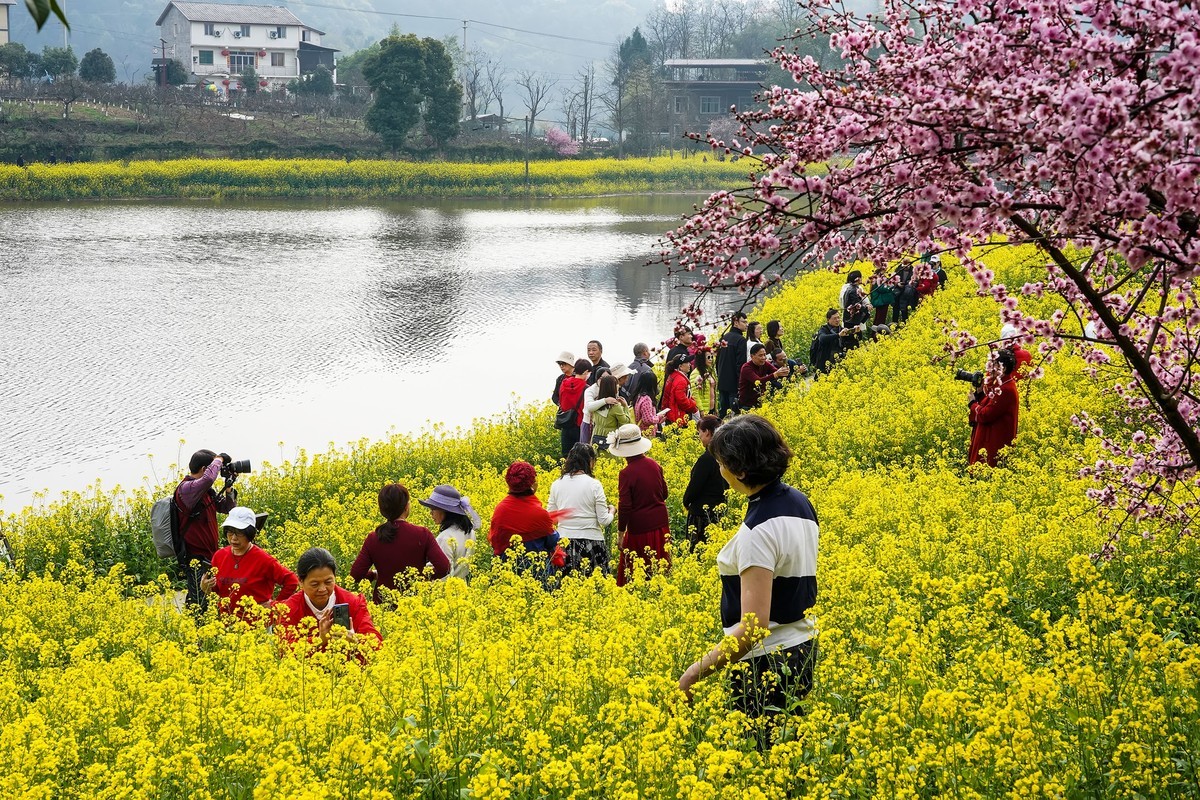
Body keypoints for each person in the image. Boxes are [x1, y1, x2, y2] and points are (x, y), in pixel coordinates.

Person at [677, 415, 818, 729]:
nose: (720, 470)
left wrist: (692, 674)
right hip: (802, 648)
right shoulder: (799, 502)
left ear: (740, 470)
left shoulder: (758, 531)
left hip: (767, 664)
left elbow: (753, 628)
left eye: (722, 463)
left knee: (758, 756)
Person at [350, 483, 450, 603]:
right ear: (406, 507)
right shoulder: (422, 534)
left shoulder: (374, 538)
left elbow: (355, 574)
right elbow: (444, 567)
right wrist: (419, 579)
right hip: (416, 604)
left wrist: (374, 575)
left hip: (384, 605)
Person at [277, 547, 382, 653]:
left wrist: (356, 641)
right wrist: (319, 641)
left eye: (328, 582)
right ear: (300, 581)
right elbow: (284, 651)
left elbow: (377, 645)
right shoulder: (288, 610)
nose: (322, 589)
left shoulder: (353, 602)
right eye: (315, 584)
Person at [201, 506, 297, 618]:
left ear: (250, 533)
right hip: (227, 624)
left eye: (240, 533)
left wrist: (275, 605)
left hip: (257, 625)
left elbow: (291, 581)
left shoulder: (264, 560)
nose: (233, 538)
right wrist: (206, 587)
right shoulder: (219, 556)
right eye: (230, 532)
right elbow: (218, 592)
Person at [175, 450, 239, 611]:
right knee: (198, 599)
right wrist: (219, 458)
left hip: (210, 555)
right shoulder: (186, 489)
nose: (215, 472)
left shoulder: (204, 491)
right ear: (205, 469)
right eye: (213, 468)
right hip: (195, 557)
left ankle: (198, 626)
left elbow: (227, 508)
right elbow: (209, 478)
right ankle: (194, 630)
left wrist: (229, 487)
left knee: (206, 596)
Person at [609, 424, 670, 587]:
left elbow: (625, 506)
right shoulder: (654, 465)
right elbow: (664, 494)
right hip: (661, 525)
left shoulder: (626, 473)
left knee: (636, 572)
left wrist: (621, 533)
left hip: (639, 529)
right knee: (659, 568)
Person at [488, 461, 563, 583]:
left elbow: (495, 541)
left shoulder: (500, 509)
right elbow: (553, 541)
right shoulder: (539, 513)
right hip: (536, 574)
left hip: (504, 574)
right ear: (532, 484)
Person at [547, 443, 614, 577]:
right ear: (590, 461)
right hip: (592, 543)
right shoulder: (594, 484)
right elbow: (604, 520)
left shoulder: (556, 484)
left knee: (564, 591)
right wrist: (612, 511)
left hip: (563, 543)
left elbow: (551, 518)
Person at [682, 415, 729, 548]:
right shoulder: (725, 454)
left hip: (702, 515)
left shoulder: (707, 459)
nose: (699, 436)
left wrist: (686, 502)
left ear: (707, 432)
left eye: (700, 432)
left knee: (698, 550)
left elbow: (695, 487)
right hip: (720, 511)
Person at [968, 348, 1019, 467]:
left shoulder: (1006, 389)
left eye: (993, 365)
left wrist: (972, 404)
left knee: (986, 474)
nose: (989, 368)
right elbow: (990, 405)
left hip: (993, 442)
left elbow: (986, 415)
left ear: (1003, 368)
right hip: (989, 438)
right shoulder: (1002, 383)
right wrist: (980, 394)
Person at [419, 484, 481, 581]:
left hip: (445, 591)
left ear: (445, 511)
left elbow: (442, 572)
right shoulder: (470, 532)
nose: (431, 513)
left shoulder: (445, 538)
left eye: (433, 509)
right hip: (462, 588)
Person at [739, 343, 791, 409]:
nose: (764, 358)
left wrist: (784, 371)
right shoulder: (746, 368)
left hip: (762, 401)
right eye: (760, 355)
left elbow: (775, 371)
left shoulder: (764, 364)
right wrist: (776, 374)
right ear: (752, 356)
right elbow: (758, 381)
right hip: (748, 404)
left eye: (764, 355)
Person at [716, 312, 749, 416]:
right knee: (734, 415)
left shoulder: (724, 337)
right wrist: (741, 384)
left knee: (722, 413)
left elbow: (717, 360)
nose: (746, 325)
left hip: (722, 381)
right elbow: (741, 364)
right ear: (736, 323)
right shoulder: (741, 340)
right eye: (744, 322)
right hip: (734, 384)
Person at [589, 373, 634, 450]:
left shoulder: (597, 403)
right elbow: (625, 423)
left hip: (596, 437)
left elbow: (589, 408)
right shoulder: (615, 406)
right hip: (609, 439)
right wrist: (625, 407)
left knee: (598, 459)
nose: (618, 386)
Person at [556, 359, 589, 457]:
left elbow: (560, 401)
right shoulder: (586, 388)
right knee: (580, 456)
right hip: (579, 425)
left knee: (566, 456)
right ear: (586, 372)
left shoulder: (563, 383)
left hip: (565, 423)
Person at [661, 352, 699, 427]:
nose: (690, 365)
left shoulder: (673, 375)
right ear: (680, 366)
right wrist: (693, 404)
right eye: (687, 363)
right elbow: (682, 401)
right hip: (678, 416)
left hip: (671, 414)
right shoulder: (681, 380)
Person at [811, 308, 853, 374]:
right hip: (824, 363)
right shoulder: (824, 329)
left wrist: (855, 332)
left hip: (839, 361)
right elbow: (822, 338)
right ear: (828, 320)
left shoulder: (841, 329)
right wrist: (838, 335)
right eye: (834, 318)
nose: (837, 320)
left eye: (838, 318)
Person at [578, 364, 609, 446]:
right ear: (597, 378)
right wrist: (605, 400)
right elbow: (589, 407)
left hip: (604, 426)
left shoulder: (611, 389)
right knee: (586, 451)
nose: (605, 381)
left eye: (608, 378)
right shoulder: (590, 390)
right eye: (602, 378)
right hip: (589, 424)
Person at [631, 370, 664, 438]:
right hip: (647, 434)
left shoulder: (638, 396)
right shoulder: (646, 399)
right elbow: (648, 420)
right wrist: (659, 417)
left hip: (642, 432)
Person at [691, 348, 718, 417]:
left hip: (712, 408)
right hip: (704, 409)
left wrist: (716, 408)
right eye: (708, 357)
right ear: (701, 359)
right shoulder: (696, 373)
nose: (711, 359)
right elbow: (695, 394)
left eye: (712, 357)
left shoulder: (710, 371)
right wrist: (701, 409)